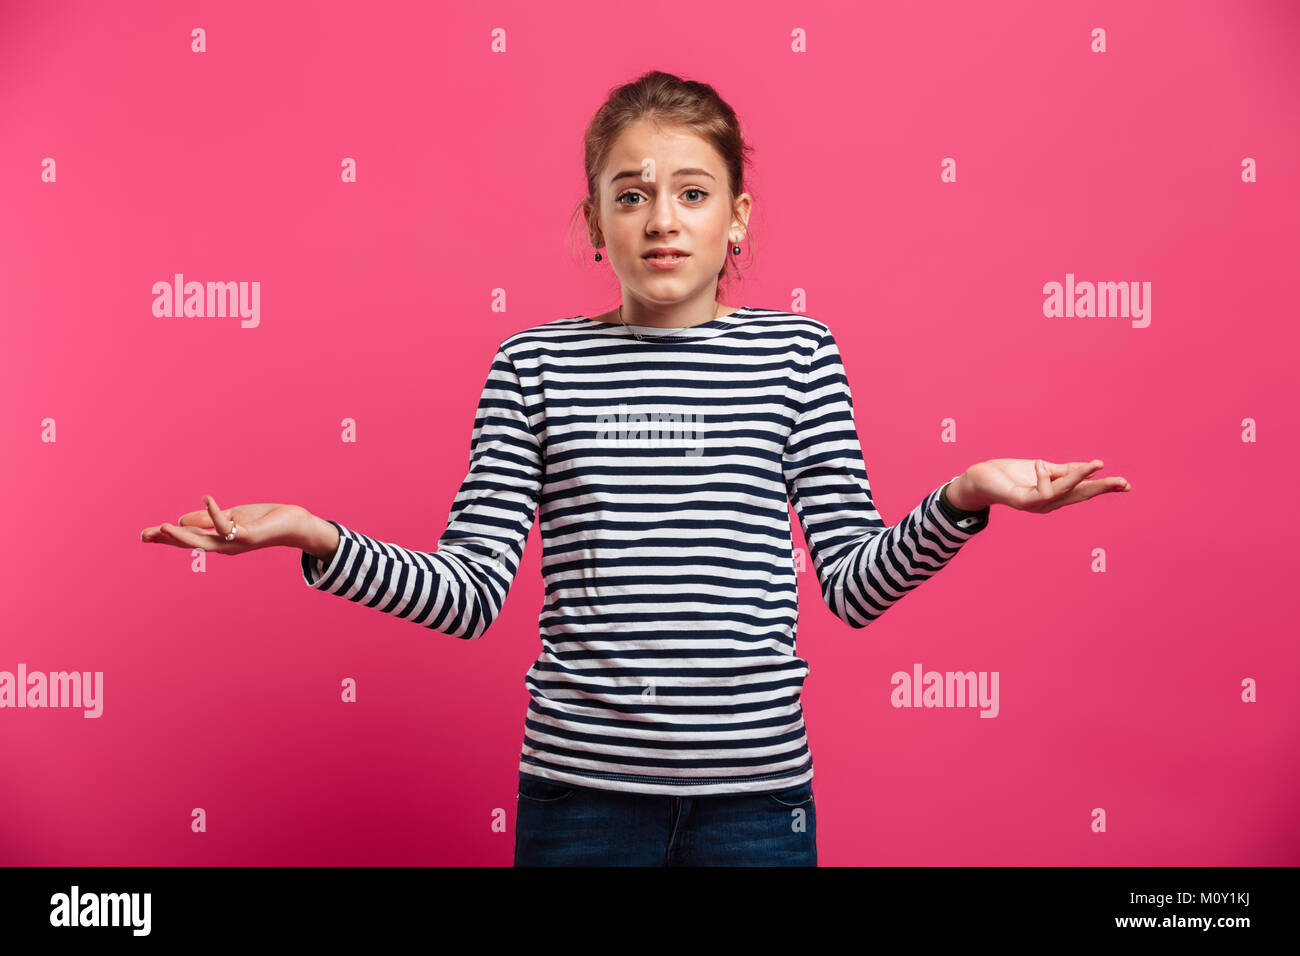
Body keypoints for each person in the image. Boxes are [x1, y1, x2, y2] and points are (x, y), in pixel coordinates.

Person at [140, 70, 1132, 866]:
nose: (662, 217)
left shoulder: (798, 356)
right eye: (632, 194)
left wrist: (960, 498)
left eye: (691, 193)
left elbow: (852, 583)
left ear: (736, 217)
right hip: (579, 806)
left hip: (756, 805)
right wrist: (321, 538)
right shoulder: (533, 364)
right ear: (595, 221)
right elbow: (471, 591)